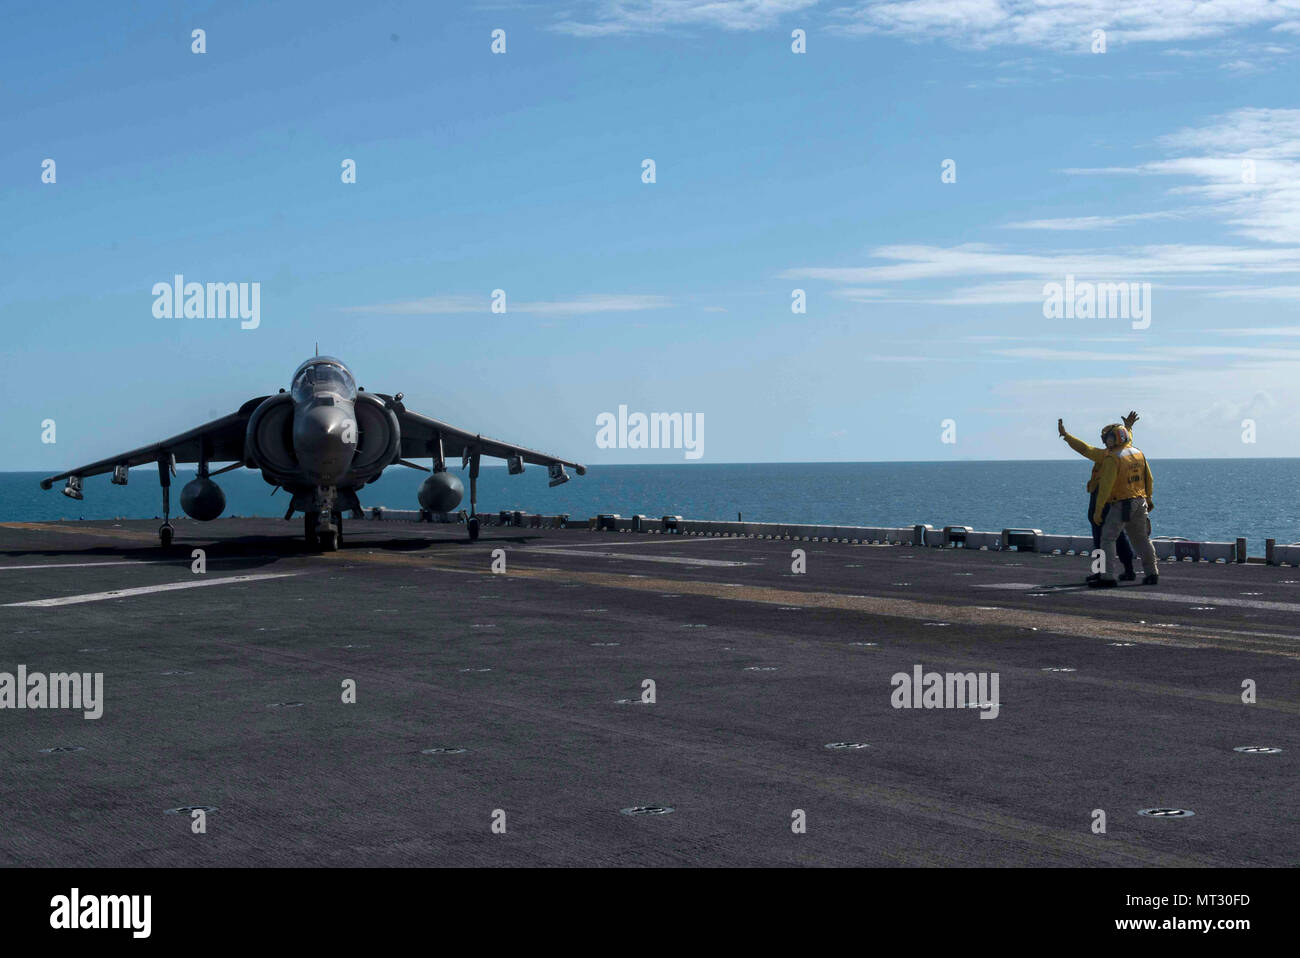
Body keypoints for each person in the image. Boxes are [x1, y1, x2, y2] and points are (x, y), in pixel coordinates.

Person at [1058, 412, 1139, 582]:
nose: (1105, 440)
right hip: (1117, 500)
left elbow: (1085, 448)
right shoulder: (1126, 451)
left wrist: (1066, 436)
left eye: (1108, 437)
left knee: (1102, 538)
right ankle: (1129, 569)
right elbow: (1127, 438)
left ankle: (1101, 572)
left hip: (1103, 501)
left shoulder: (1107, 456)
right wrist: (1129, 427)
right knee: (1118, 537)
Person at [1089, 423, 1159, 587]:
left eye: (1107, 438)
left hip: (1121, 503)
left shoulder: (1114, 457)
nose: (1105, 441)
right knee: (1142, 539)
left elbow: (1105, 486)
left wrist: (1098, 510)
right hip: (1140, 502)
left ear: (1114, 439)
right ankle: (1152, 573)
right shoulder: (1138, 453)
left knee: (1107, 538)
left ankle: (1107, 577)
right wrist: (1148, 499)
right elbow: (1149, 478)